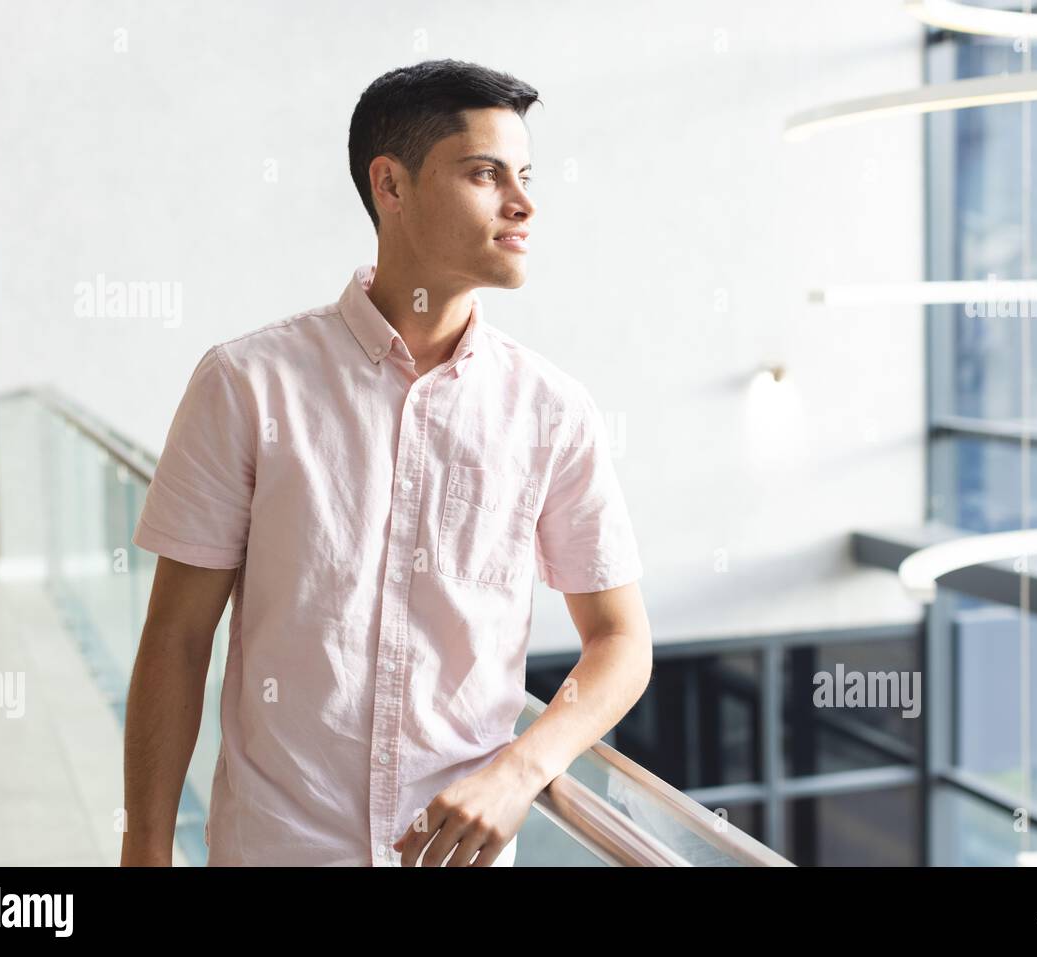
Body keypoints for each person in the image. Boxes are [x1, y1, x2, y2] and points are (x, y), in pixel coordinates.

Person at [120, 59, 652, 867]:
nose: (524, 202)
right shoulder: (246, 384)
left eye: (527, 174)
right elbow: (177, 638)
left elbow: (620, 640)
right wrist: (146, 845)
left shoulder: (552, 410)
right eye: (485, 173)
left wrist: (520, 771)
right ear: (391, 186)